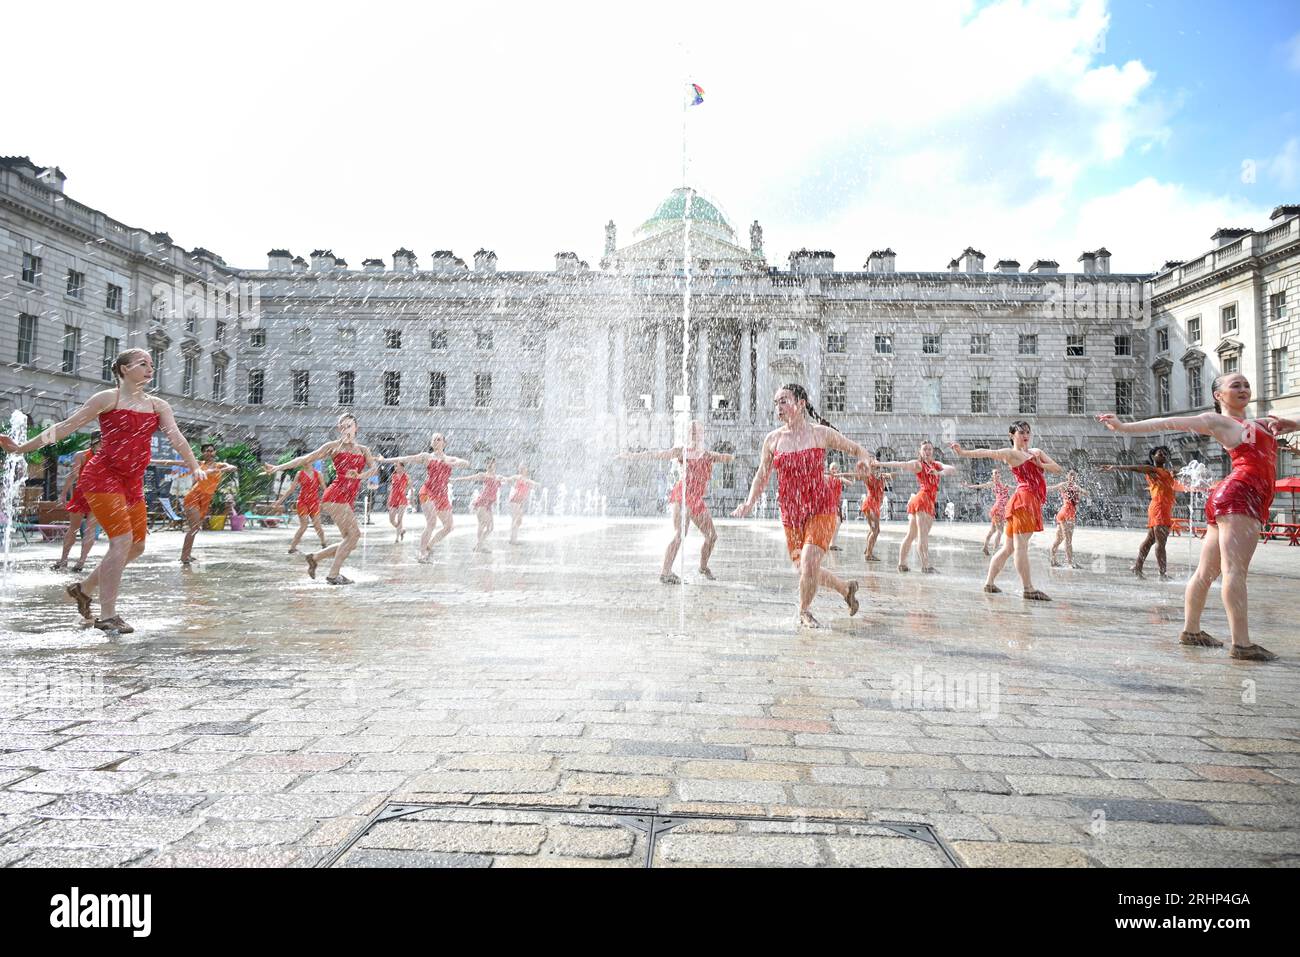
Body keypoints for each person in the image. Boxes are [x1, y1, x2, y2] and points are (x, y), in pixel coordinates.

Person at [0, 348, 207, 634]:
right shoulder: (109, 398)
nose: (150, 369)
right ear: (123, 369)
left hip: (132, 481)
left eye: (151, 364)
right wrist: (23, 448)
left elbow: (177, 437)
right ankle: (107, 616)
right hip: (102, 476)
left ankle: (83, 589)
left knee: (137, 546)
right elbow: (65, 426)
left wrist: (194, 465)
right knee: (121, 543)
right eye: (142, 364)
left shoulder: (158, 405)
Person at [1098, 373, 1298, 661]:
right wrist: (1124, 427)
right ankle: (1241, 644)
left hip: (1231, 497)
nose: (1243, 389)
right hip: (1241, 496)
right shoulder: (1219, 422)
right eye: (1235, 386)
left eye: (1245, 384)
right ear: (1219, 396)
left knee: (1208, 572)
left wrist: (1286, 422)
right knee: (1234, 572)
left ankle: (1191, 631)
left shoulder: (1264, 424)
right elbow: (1167, 423)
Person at [732, 384, 873, 628]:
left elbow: (858, 449)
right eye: (776, 402)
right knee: (805, 570)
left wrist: (863, 461)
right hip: (792, 513)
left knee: (808, 562)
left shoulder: (821, 434)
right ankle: (845, 588)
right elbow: (762, 475)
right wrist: (749, 502)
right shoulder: (773, 440)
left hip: (822, 507)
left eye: (784, 401)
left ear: (801, 404)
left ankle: (804, 612)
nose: (778, 407)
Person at [950, 421, 1063, 600]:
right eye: (1021, 432)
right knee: (1020, 546)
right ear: (1012, 435)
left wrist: (1040, 464)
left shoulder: (1036, 452)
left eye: (1027, 432)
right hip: (1024, 500)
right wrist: (964, 452)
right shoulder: (1011, 454)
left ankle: (989, 583)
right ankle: (1028, 589)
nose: (1025, 435)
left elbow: (1057, 469)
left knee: (1008, 547)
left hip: (1027, 501)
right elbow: (987, 452)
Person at [264, 413, 377, 585]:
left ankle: (315, 558)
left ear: (356, 428)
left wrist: (360, 475)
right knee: (354, 535)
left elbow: (374, 469)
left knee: (349, 541)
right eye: (343, 426)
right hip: (335, 494)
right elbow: (305, 458)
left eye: (350, 426)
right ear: (339, 428)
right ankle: (333, 575)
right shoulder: (333, 447)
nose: (346, 429)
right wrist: (278, 467)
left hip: (348, 498)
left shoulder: (363, 450)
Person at [619, 421, 735, 582]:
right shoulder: (682, 452)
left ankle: (703, 567)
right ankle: (666, 572)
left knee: (712, 536)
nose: (695, 434)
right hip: (683, 496)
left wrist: (733, 457)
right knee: (680, 534)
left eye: (698, 431)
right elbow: (658, 454)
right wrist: (632, 456)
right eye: (692, 431)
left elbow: (728, 458)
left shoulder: (708, 455)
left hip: (696, 500)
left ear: (702, 434)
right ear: (688, 434)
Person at [376, 433, 472, 564]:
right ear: (431, 444)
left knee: (449, 526)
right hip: (428, 491)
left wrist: (451, 462)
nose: (437, 442)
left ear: (444, 443)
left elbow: (466, 463)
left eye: (439, 439)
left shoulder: (449, 458)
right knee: (431, 523)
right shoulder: (427, 457)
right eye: (434, 440)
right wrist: (384, 460)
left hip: (442, 494)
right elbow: (406, 458)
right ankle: (422, 554)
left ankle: (429, 546)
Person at [877, 442, 958, 573]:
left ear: (933, 451)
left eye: (930, 449)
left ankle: (902, 564)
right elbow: (901, 464)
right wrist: (880, 464)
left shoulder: (936, 465)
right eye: (925, 449)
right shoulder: (919, 464)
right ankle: (926, 566)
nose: (928, 451)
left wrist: (939, 473)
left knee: (911, 535)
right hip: (923, 499)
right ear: (920, 452)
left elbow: (952, 469)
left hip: (924, 500)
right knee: (922, 535)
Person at [1099, 447, 1177, 580]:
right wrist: (1115, 467)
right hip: (1159, 508)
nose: (1163, 455)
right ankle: (1162, 573)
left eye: (1165, 454)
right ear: (1153, 456)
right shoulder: (1151, 469)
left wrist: (1175, 474)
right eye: (1160, 453)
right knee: (1161, 542)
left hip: (1163, 508)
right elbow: (1134, 468)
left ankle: (1137, 567)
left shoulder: (1166, 472)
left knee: (1150, 540)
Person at [177, 444, 238, 566]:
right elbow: (174, 462)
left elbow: (233, 467)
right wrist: (152, 460)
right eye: (206, 451)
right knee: (194, 528)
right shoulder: (198, 464)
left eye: (211, 451)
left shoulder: (219, 465)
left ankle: (187, 554)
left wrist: (221, 469)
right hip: (193, 497)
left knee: (196, 529)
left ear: (215, 452)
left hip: (206, 500)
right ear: (203, 453)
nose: (209, 453)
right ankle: (184, 556)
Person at [51, 434, 102, 572]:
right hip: (94, 495)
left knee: (79, 529)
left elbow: (73, 475)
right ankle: (73, 561)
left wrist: (62, 494)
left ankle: (72, 561)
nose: (102, 445)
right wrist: (63, 494)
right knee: (82, 529)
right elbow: (74, 475)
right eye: (101, 443)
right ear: (94, 443)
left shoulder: (82, 455)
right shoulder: (104, 457)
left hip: (92, 495)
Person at [453, 457, 508, 552]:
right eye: (488, 463)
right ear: (486, 465)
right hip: (482, 502)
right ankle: (479, 546)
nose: (490, 465)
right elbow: (469, 478)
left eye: (492, 463)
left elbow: (508, 480)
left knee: (490, 528)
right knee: (482, 524)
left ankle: (479, 545)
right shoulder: (483, 475)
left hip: (489, 505)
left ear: (495, 465)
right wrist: (456, 480)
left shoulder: (497, 477)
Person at [271, 461, 327, 554]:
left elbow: (324, 489)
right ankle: (292, 548)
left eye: (308, 460)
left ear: (311, 462)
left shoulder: (318, 474)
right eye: (304, 461)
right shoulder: (299, 474)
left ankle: (324, 544)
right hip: (302, 502)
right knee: (303, 526)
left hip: (314, 502)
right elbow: (291, 489)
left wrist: (327, 502)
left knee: (317, 526)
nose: (306, 462)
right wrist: (280, 501)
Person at [963, 467, 1012, 556]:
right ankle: (995, 552)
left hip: (1002, 510)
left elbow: (1013, 489)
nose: (997, 474)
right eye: (995, 473)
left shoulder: (1004, 485)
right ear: (993, 476)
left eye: (998, 473)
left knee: (993, 530)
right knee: (1000, 531)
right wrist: (968, 486)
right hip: (997, 509)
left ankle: (985, 547)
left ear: (1000, 475)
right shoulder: (993, 484)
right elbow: (980, 486)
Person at [1047, 471, 1090, 568]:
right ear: (1067, 477)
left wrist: (1081, 491)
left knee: (1059, 539)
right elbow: (1052, 488)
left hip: (1065, 513)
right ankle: (1070, 563)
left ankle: (1053, 560)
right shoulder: (1065, 485)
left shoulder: (1076, 487)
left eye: (1074, 476)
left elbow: (1087, 493)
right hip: (1067, 514)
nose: (1073, 478)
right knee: (1068, 539)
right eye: (1071, 476)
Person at [859, 464, 889, 562]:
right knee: (875, 530)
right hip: (870, 504)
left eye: (878, 468)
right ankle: (869, 554)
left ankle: (867, 549)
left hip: (874, 505)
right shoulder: (869, 477)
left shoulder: (881, 477)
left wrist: (885, 476)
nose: (877, 470)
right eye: (875, 468)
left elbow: (892, 475)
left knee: (874, 529)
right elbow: (861, 476)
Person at [507, 465, 541, 545]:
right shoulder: (519, 477)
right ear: (521, 470)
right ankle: (513, 540)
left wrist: (536, 484)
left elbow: (531, 484)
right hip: (515, 500)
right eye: (523, 469)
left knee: (517, 520)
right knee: (517, 520)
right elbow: (510, 479)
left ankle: (513, 538)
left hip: (520, 502)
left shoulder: (526, 480)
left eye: (525, 468)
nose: (525, 470)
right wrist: (504, 479)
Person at [386, 462, 410, 542]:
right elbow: (391, 489)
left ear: (402, 467)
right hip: (394, 498)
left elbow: (410, 488)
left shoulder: (406, 476)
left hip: (402, 498)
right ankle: (401, 530)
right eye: (395, 466)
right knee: (391, 519)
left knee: (400, 519)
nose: (395, 468)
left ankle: (397, 538)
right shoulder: (393, 476)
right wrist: (388, 499)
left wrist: (412, 500)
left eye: (397, 466)